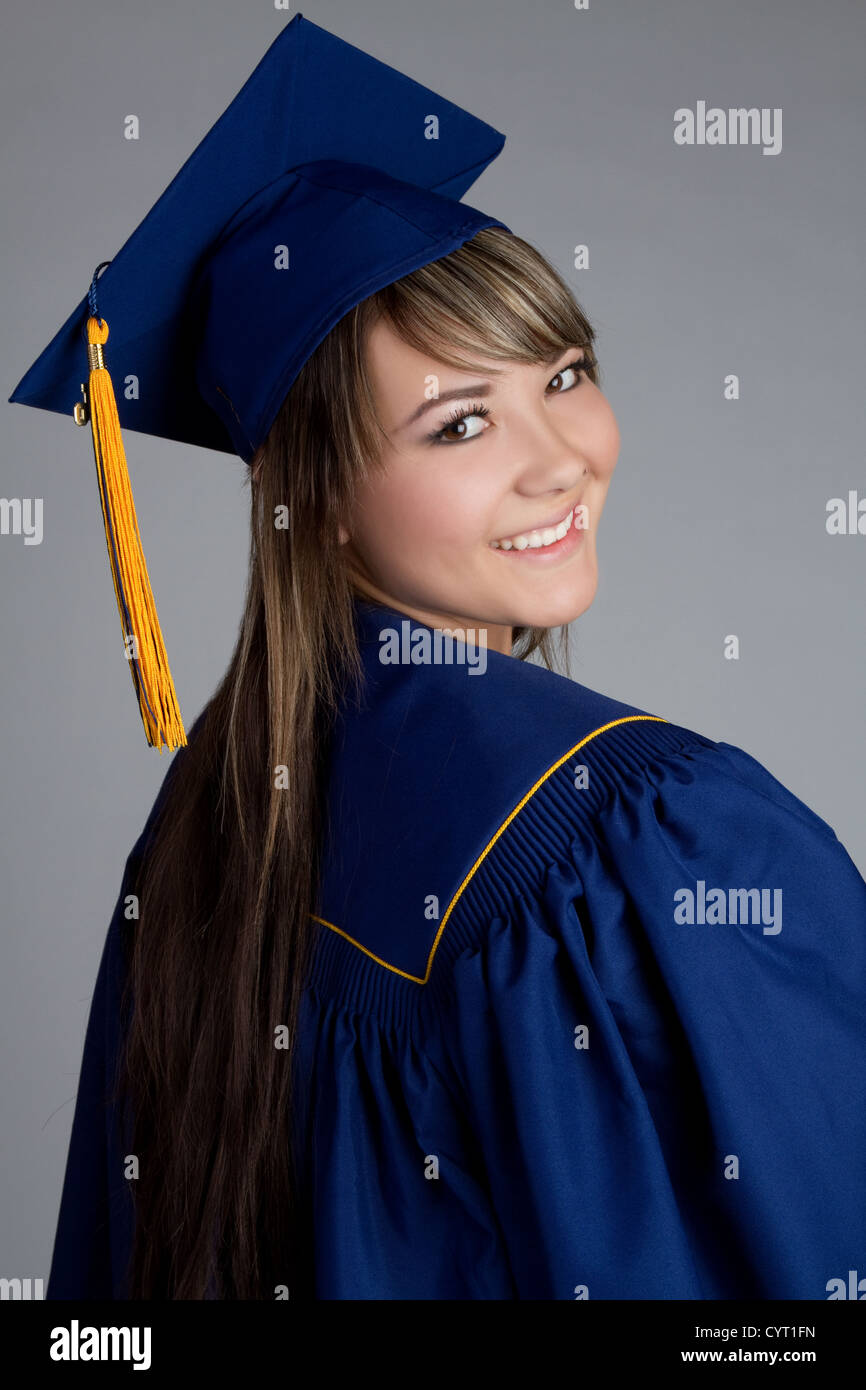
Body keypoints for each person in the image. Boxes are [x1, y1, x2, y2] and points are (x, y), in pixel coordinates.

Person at [11, 17, 865, 1301]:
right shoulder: (627, 841)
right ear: (326, 499)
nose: (558, 457)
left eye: (563, 372)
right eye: (458, 422)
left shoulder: (206, 825)